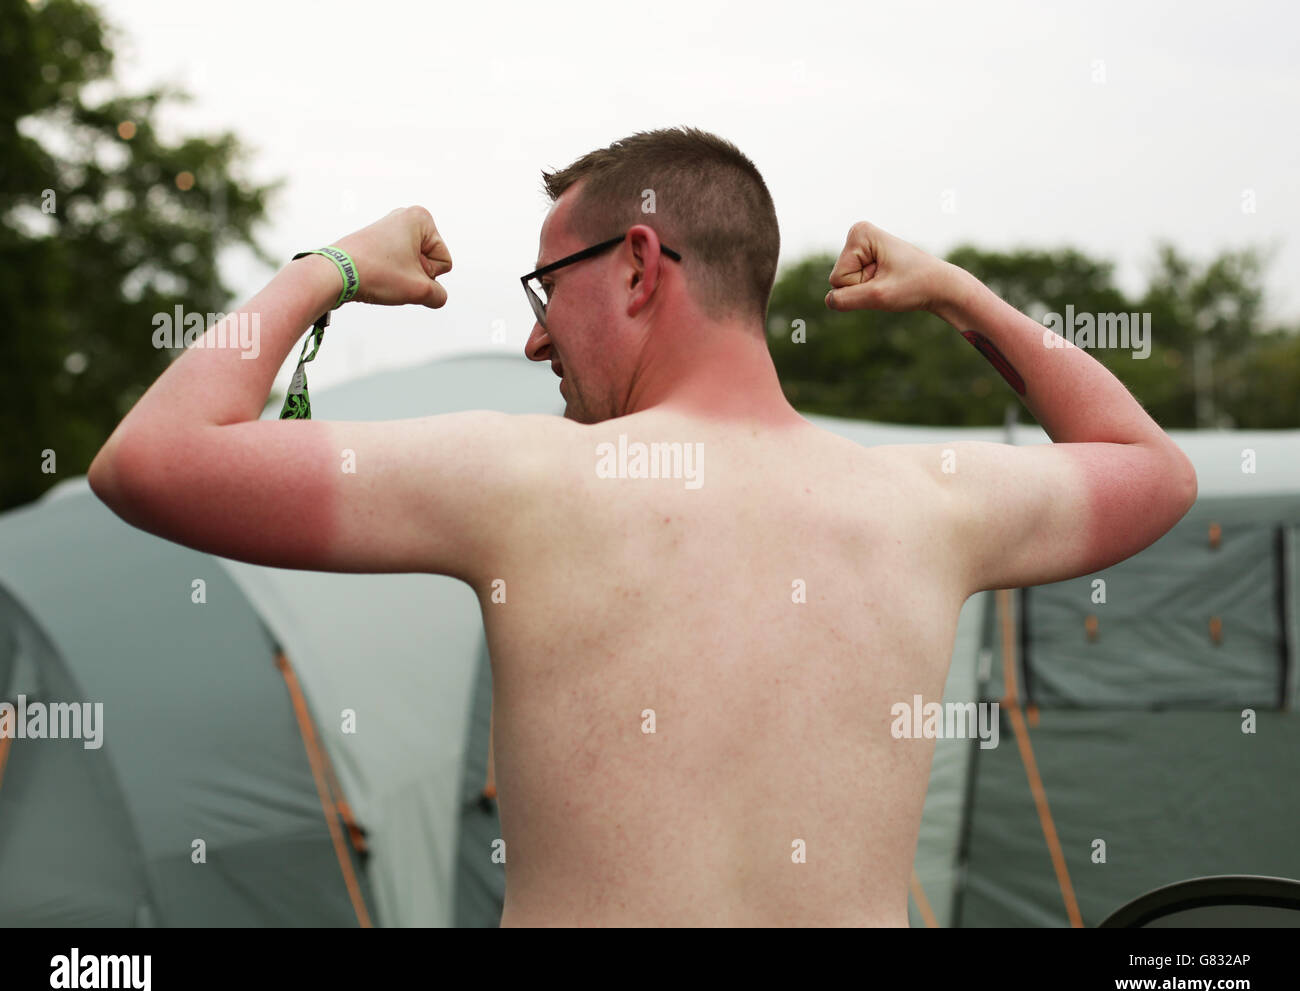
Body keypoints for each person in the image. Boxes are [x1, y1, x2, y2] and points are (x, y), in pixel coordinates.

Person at [88, 127, 1197, 927]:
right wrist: (965, 298)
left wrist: (324, 270)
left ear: (634, 263)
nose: (534, 342)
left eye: (543, 292)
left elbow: (149, 461)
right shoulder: (930, 505)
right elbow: (1151, 470)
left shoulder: (524, 482)